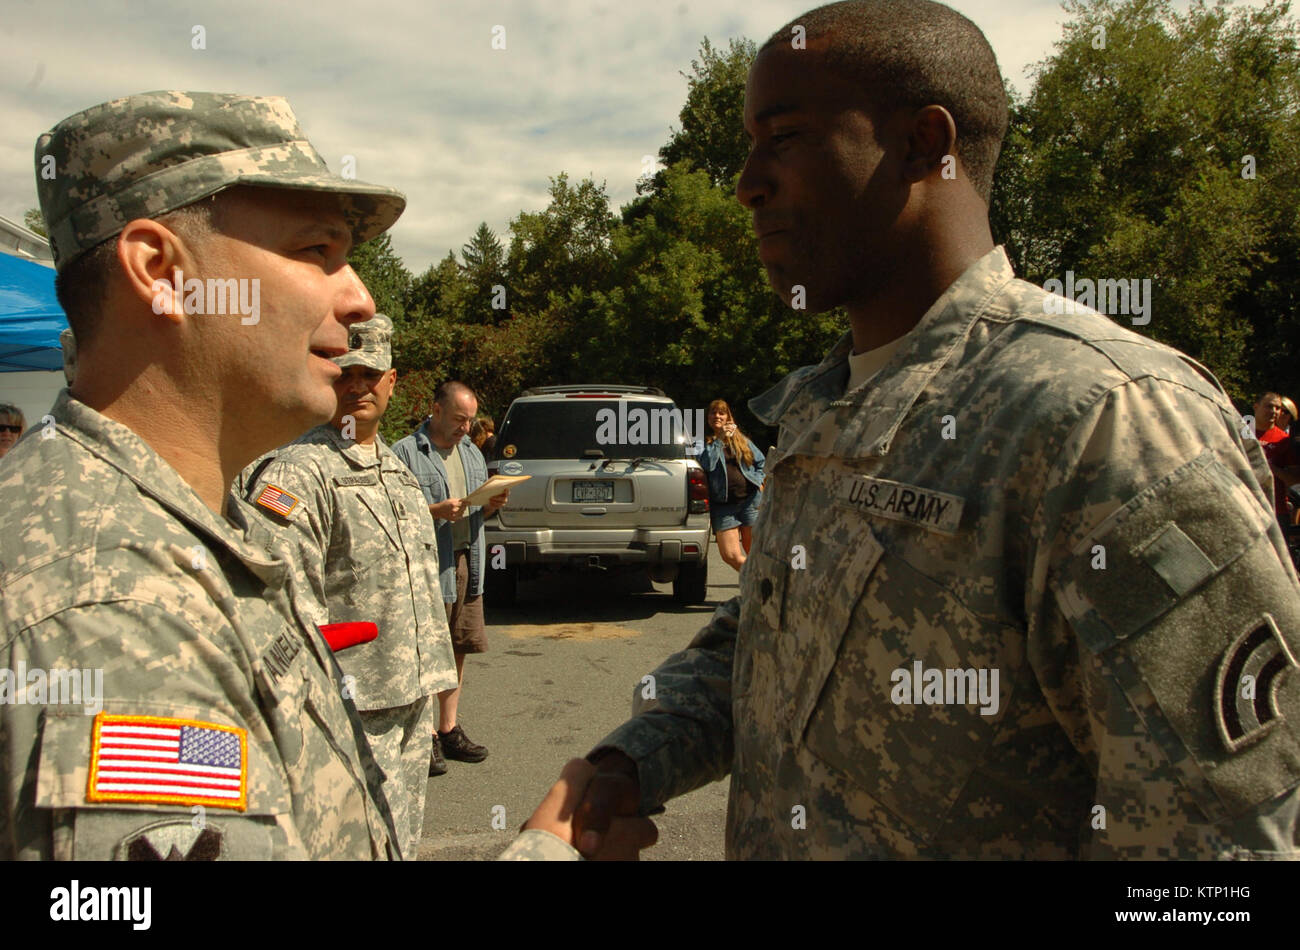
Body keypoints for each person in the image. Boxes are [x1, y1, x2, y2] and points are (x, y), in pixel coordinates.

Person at [563, 0, 1300, 861]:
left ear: (925, 142)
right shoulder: (822, 406)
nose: (746, 181)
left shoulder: (1107, 418)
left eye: (786, 137)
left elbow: (1221, 859)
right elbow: (763, 642)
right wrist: (628, 762)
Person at [0, 91, 582, 862]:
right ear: (161, 270)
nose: (359, 297)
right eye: (318, 252)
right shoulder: (110, 608)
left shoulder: (186, 531)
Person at [239, 314, 457, 859]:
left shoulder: (399, 473)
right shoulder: (296, 474)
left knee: (400, 843)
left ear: (392, 382)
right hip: (349, 707)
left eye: (370, 373)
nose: (357, 385)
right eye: (344, 373)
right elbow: (280, 612)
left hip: (413, 695)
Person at [393, 382, 510, 775]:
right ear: (435, 410)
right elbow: (391, 516)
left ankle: (448, 728)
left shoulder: (473, 453)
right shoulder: (404, 454)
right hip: (429, 566)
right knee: (427, 652)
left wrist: (491, 504)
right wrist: (433, 511)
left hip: (467, 561)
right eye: (459, 419)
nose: (466, 427)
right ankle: (422, 738)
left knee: (458, 645)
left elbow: (477, 514)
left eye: (471, 420)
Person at [696, 399, 765, 572]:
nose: (717, 416)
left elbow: (761, 462)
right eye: (713, 412)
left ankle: (757, 588)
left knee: (756, 552)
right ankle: (757, 580)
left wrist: (758, 481)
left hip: (750, 502)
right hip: (723, 506)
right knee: (730, 555)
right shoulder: (703, 443)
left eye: (721, 412)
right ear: (708, 417)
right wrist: (719, 439)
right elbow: (706, 465)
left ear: (728, 417)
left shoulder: (741, 440)